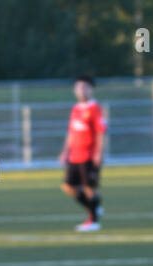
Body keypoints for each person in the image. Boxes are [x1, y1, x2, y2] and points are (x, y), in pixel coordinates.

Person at [59, 76, 107, 232]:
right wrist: (65, 151)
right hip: (75, 155)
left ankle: (93, 221)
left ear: (90, 89)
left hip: (89, 155)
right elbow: (71, 132)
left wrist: (99, 153)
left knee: (89, 189)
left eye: (84, 87)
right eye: (78, 87)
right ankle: (94, 207)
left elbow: (101, 132)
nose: (81, 90)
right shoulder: (76, 109)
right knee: (68, 186)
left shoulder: (95, 108)